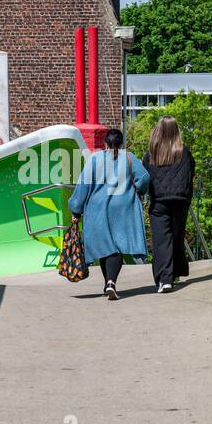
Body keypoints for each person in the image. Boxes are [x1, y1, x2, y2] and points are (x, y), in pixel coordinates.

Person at [69, 129, 150, 300]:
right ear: (121, 144)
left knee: (106, 246)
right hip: (122, 208)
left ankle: (109, 282)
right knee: (117, 245)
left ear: (105, 144)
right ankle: (110, 282)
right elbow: (144, 178)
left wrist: (76, 209)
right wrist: (138, 190)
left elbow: (83, 185)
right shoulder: (129, 158)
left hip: (97, 208)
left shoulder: (95, 160)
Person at [142, 116, 195, 293]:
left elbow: (145, 176)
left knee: (161, 240)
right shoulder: (184, 151)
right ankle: (175, 272)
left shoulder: (151, 154)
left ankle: (165, 279)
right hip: (180, 201)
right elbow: (190, 173)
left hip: (159, 201)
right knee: (176, 237)